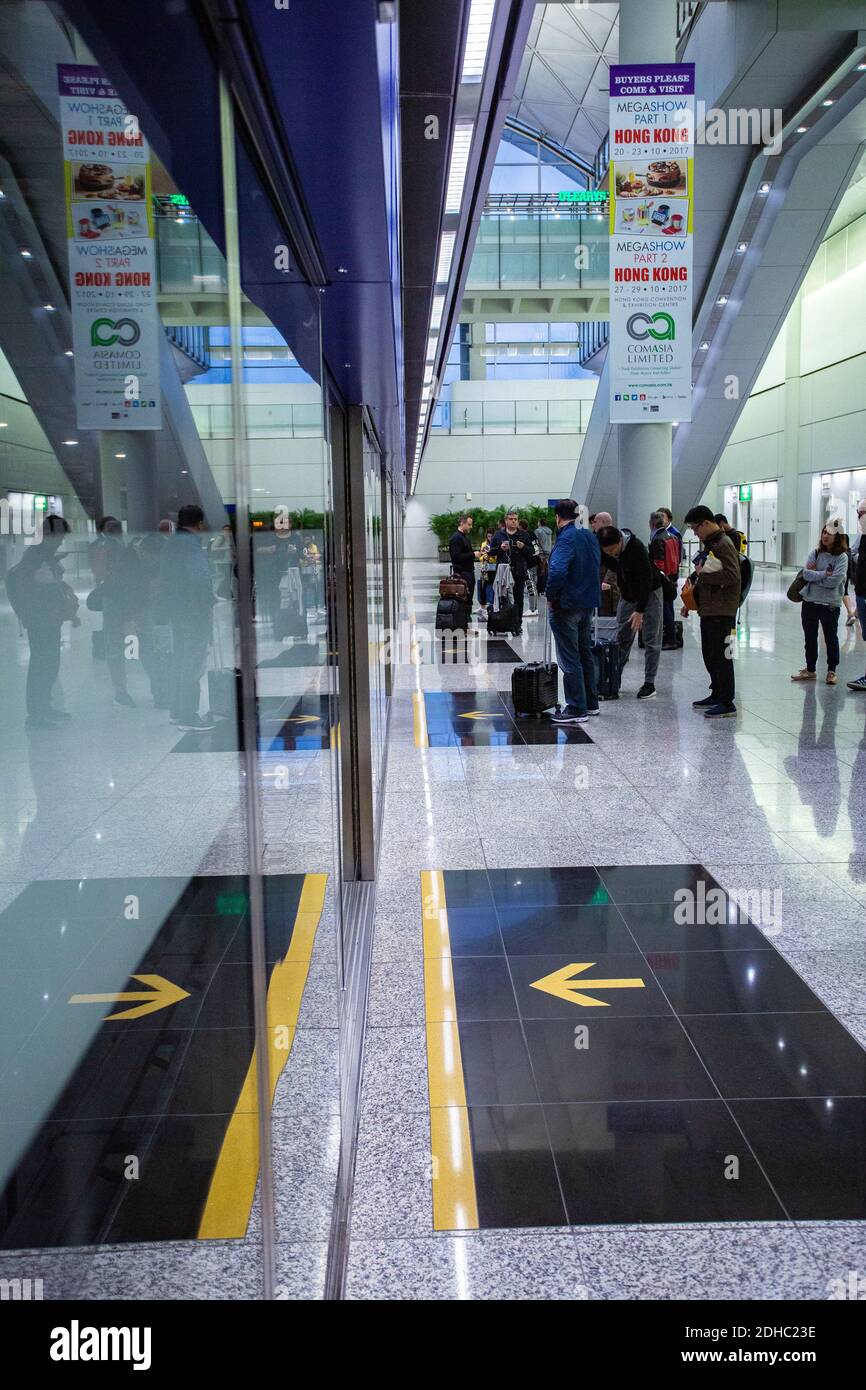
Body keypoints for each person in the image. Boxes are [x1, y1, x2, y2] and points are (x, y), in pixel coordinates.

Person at [6, 515, 76, 728]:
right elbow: (34, 587)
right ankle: (36, 714)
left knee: (49, 663)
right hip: (40, 619)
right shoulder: (35, 557)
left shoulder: (43, 555)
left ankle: (44, 706)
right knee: (42, 664)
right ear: (48, 535)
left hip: (48, 618)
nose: (62, 540)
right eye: (60, 536)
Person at [544, 500, 601, 724]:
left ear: (558, 517)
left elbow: (557, 571)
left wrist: (550, 596)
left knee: (569, 658)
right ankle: (591, 703)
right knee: (584, 653)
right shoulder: (588, 535)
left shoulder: (566, 537)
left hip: (567, 604)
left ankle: (577, 707)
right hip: (587, 602)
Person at [682, 505, 742, 717]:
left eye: (695, 528)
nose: (695, 532)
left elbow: (733, 576)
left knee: (722, 655)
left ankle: (727, 701)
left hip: (722, 610)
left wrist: (704, 576)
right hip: (710, 608)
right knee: (710, 654)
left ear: (706, 523)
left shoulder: (723, 544)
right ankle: (717, 692)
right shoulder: (712, 543)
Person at [160, 504, 216, 731]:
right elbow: (200, 577)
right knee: (193, 662)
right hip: (193, 612)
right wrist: (209, 601)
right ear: (200, 524)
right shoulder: (191, 545)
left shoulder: (171, 543)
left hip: (177, 609)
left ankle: (176, 711)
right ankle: (188, 716)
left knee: (180, 660)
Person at [596, 524, 664, 700]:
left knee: (651, 639)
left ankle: (649, 683)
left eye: (613, 549)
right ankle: (613, 679)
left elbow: (646, 580)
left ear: (620, 540)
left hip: (649, 594)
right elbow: (613, 565)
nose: (611, 553)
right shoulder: (606, 549)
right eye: (607, 551)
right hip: (628, 596)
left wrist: (640, 611)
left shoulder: (636, 548)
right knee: (622, 637)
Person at [791, 524, 848, 686]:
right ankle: (810, 669)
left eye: (829, 534)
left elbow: (835, 581)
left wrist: (816, 576)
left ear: (837, 537)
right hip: (810, 602)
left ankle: (832, 670)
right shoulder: (815, 553)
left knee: (830, 638)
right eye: (824, 532)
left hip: (830, 604)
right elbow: (806, 574)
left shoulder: (842, 557)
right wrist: (823, 574)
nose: (825, 536)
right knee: (810, 638)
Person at [489, 509, 535, 635]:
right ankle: (501, 622)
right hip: (503, 572)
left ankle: (517, 624)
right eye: (511, 519)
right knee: (501, 597)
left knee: (518, 598)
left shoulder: (524, 535)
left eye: (515, 519)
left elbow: (532, 552)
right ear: (506, 521)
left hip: (519, 571)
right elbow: (490, 551)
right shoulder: (499, 535)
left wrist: (523, 547)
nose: (514, 521)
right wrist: (500, 548)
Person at [649, 509, 682, 648]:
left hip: (663, 578)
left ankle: (669, 639)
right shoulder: (672, 536)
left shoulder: (657, 539)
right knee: (669, 607)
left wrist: (656, 576)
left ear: (652, 523)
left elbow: (659, 561)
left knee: (664, 608)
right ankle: (671, 637)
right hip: (672, 575)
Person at [448, 513, 476, 617]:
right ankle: (463, 626)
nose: (471, 527)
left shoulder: (464, 537)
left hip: (468, 572)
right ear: (462, 523)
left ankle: (466, 626)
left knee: (468, 601)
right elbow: (456, 557)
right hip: (462, 574)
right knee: (463, 601)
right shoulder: (456, 538)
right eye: (469, 524)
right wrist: (473, 555)